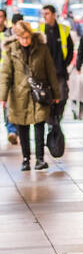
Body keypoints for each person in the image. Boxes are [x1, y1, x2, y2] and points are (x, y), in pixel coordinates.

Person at [0, 21, 61, 171]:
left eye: (27, 37)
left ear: (31, 35)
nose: (25, 41)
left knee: (40, 125)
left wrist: (56, 93)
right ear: (17, 37)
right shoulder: (11, 50)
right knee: (23, 128)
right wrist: (3, 96)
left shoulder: (42, 48)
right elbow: (5, 75)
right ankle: (26, 159)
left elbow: (50, 71)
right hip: (19, 95)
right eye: (22, 38)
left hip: (39, 94)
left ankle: (40, 159)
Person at [39, 4, 75, 120]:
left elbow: (70, 48)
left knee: (62, 98)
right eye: (43, 14)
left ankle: (57, 120)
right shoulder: (39, 31)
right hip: (44, 74)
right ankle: (51, 121)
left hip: (59, 72)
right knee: (46, 99)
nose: (44, 16)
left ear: (54, 15)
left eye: (47, 14)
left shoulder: (63, 30)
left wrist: (65, 64)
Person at [0, 9, 18, 145]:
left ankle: (12, 131)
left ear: (5, 18)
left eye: (1, 17)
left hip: (6, 74)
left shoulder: (9, 34)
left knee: (8, 104)